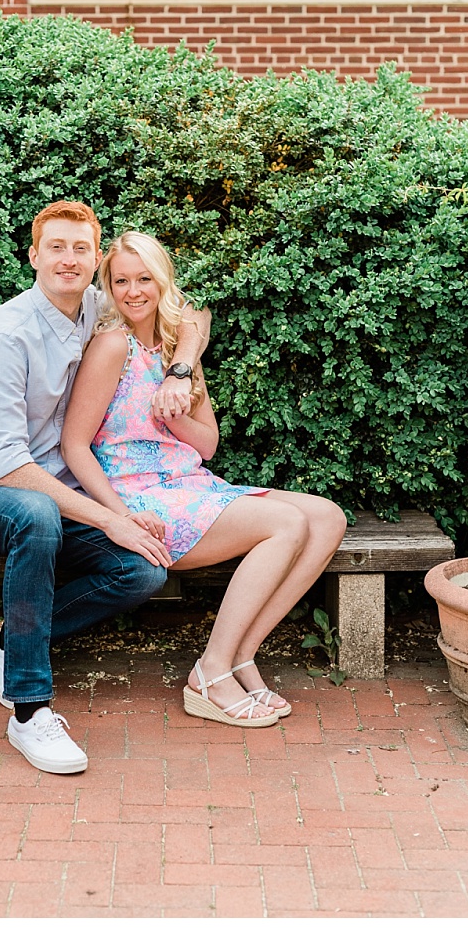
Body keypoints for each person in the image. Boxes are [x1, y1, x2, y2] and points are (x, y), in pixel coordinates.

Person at [0, 201, 206, 775]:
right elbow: (7, 465)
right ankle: (30, 711)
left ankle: (13, 641)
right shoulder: (7, 334)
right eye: (56, 246)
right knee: (35, 513)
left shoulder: (93, 307)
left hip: (56, 496)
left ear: (95, 259)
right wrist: (111, 517)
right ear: (33, 255)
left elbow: (191, 315)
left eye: (81, 248)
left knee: (143, 569)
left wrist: (180, 368)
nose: (68, 259)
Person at [61, 230, 347, 727]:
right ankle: (209, 673)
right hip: (141, 497)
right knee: (285, 523)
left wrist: (174, 408)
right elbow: (74, 446)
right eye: (121, 280)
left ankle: (241, 657)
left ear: (162, 280)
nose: (133, 291)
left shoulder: (177, 351)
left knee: (327, 516)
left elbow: (208, 445)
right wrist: (120, 517)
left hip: (190, 484)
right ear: (107, 286)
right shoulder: (112, 347)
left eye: (145, 279)